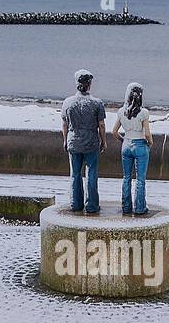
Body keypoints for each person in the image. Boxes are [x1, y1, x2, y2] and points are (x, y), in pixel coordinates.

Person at [60, 68, 107, 213]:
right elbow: (101, 125)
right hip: (91, 142)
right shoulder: (97, 103)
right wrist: (103, 140)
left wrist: (65, 140)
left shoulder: (68, 102)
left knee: (75, 174)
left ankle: (75, 204)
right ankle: (92, 205)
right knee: (91, 173)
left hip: (73, 141)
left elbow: (64, 124)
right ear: (89, 84)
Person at [113, 82, 152, 215]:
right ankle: (140, 208)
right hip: (140, 145)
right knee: (140, 179)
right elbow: (147, 133)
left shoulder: (121, 112)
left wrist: (123, 141)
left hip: (126, 145)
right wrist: (150, 143)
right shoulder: (143, 113)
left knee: (126, 177)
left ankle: (126, 207)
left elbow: (114, 132)